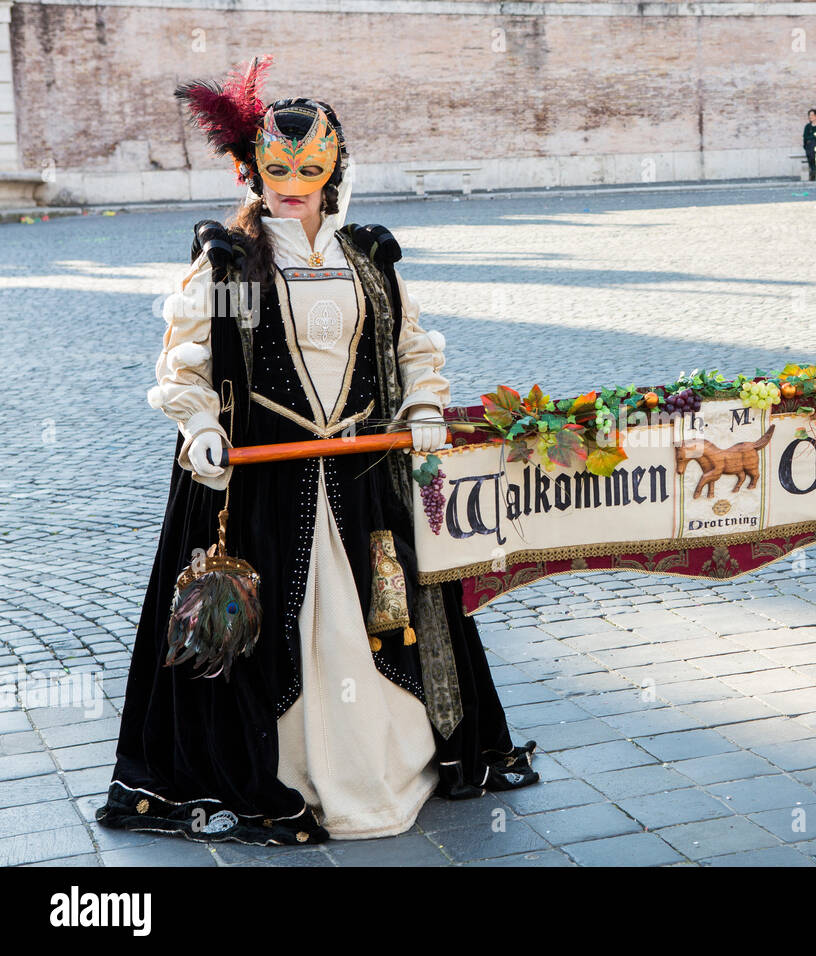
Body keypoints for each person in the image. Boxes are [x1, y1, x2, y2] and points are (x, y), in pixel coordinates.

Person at [96, 58, 538, 848]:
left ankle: (392, 766)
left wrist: (425, 405)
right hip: (263, 485)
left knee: (388, 618)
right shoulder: (231, 264)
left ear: (335, 169)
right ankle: (288, 773)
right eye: (276, 167)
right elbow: (196, 362)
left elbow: (409, 351)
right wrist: (199, 425)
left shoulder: (369, 259)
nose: (291, 181)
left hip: (367, 480)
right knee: (280, 633)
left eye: (309, 167)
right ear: (250, 167)